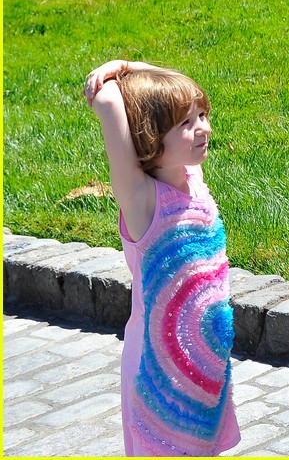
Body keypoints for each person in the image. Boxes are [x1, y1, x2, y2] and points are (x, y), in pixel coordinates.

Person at [82, 59, 240, 457]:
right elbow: (107, 101)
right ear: (149, 136)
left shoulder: (191, 179)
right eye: (186, 123)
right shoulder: (142, 201)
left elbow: (172, 90)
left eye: (202, 115)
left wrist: (134, 65)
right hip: (157, 368)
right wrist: (114, 76)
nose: (202, 127)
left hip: (203, 364)